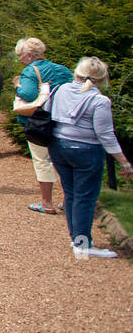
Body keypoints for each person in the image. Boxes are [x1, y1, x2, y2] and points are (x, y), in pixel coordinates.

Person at [45, 56, 133, 257]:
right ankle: (82, 244)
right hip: (86, 150)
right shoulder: (99, 101)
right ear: (102, 78)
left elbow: (48, 113)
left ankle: (77, 238)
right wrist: (124, 163)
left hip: (58, 146)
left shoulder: (60, 89)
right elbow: (106, 135)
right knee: (85, 197)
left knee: (71, 193)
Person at [13, 37, 71, 216]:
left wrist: (17, 86)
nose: (20, 59)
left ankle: (46, 202)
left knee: (42, 160)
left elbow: (29, 95)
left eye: (21, 55)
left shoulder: (30, 71)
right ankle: (67, 200)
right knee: (62, 162)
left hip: (39, 120)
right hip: (61, 119)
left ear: (29, 55)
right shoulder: (62, 70)